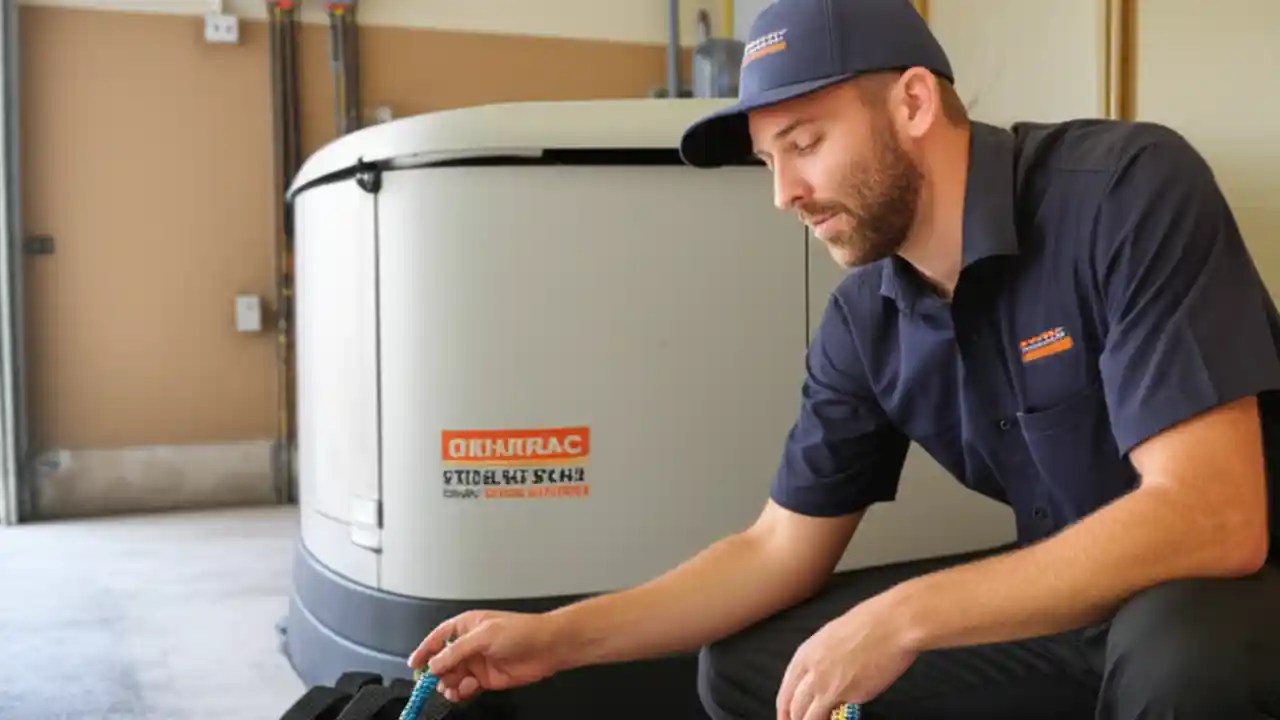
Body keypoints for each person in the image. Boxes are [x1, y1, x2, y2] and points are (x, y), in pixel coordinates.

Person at [408, 0, 1280, 717]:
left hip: (1230, 592)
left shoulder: (1126, 191)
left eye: (804, 142)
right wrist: (553, 637)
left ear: (911, 103)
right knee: (755, 667)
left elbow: (1213, 516)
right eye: (767, 160)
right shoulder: (867, 318)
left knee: (1180, 659)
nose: (784, 193)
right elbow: (775, 550)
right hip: (1072, 603)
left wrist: (907, 617)